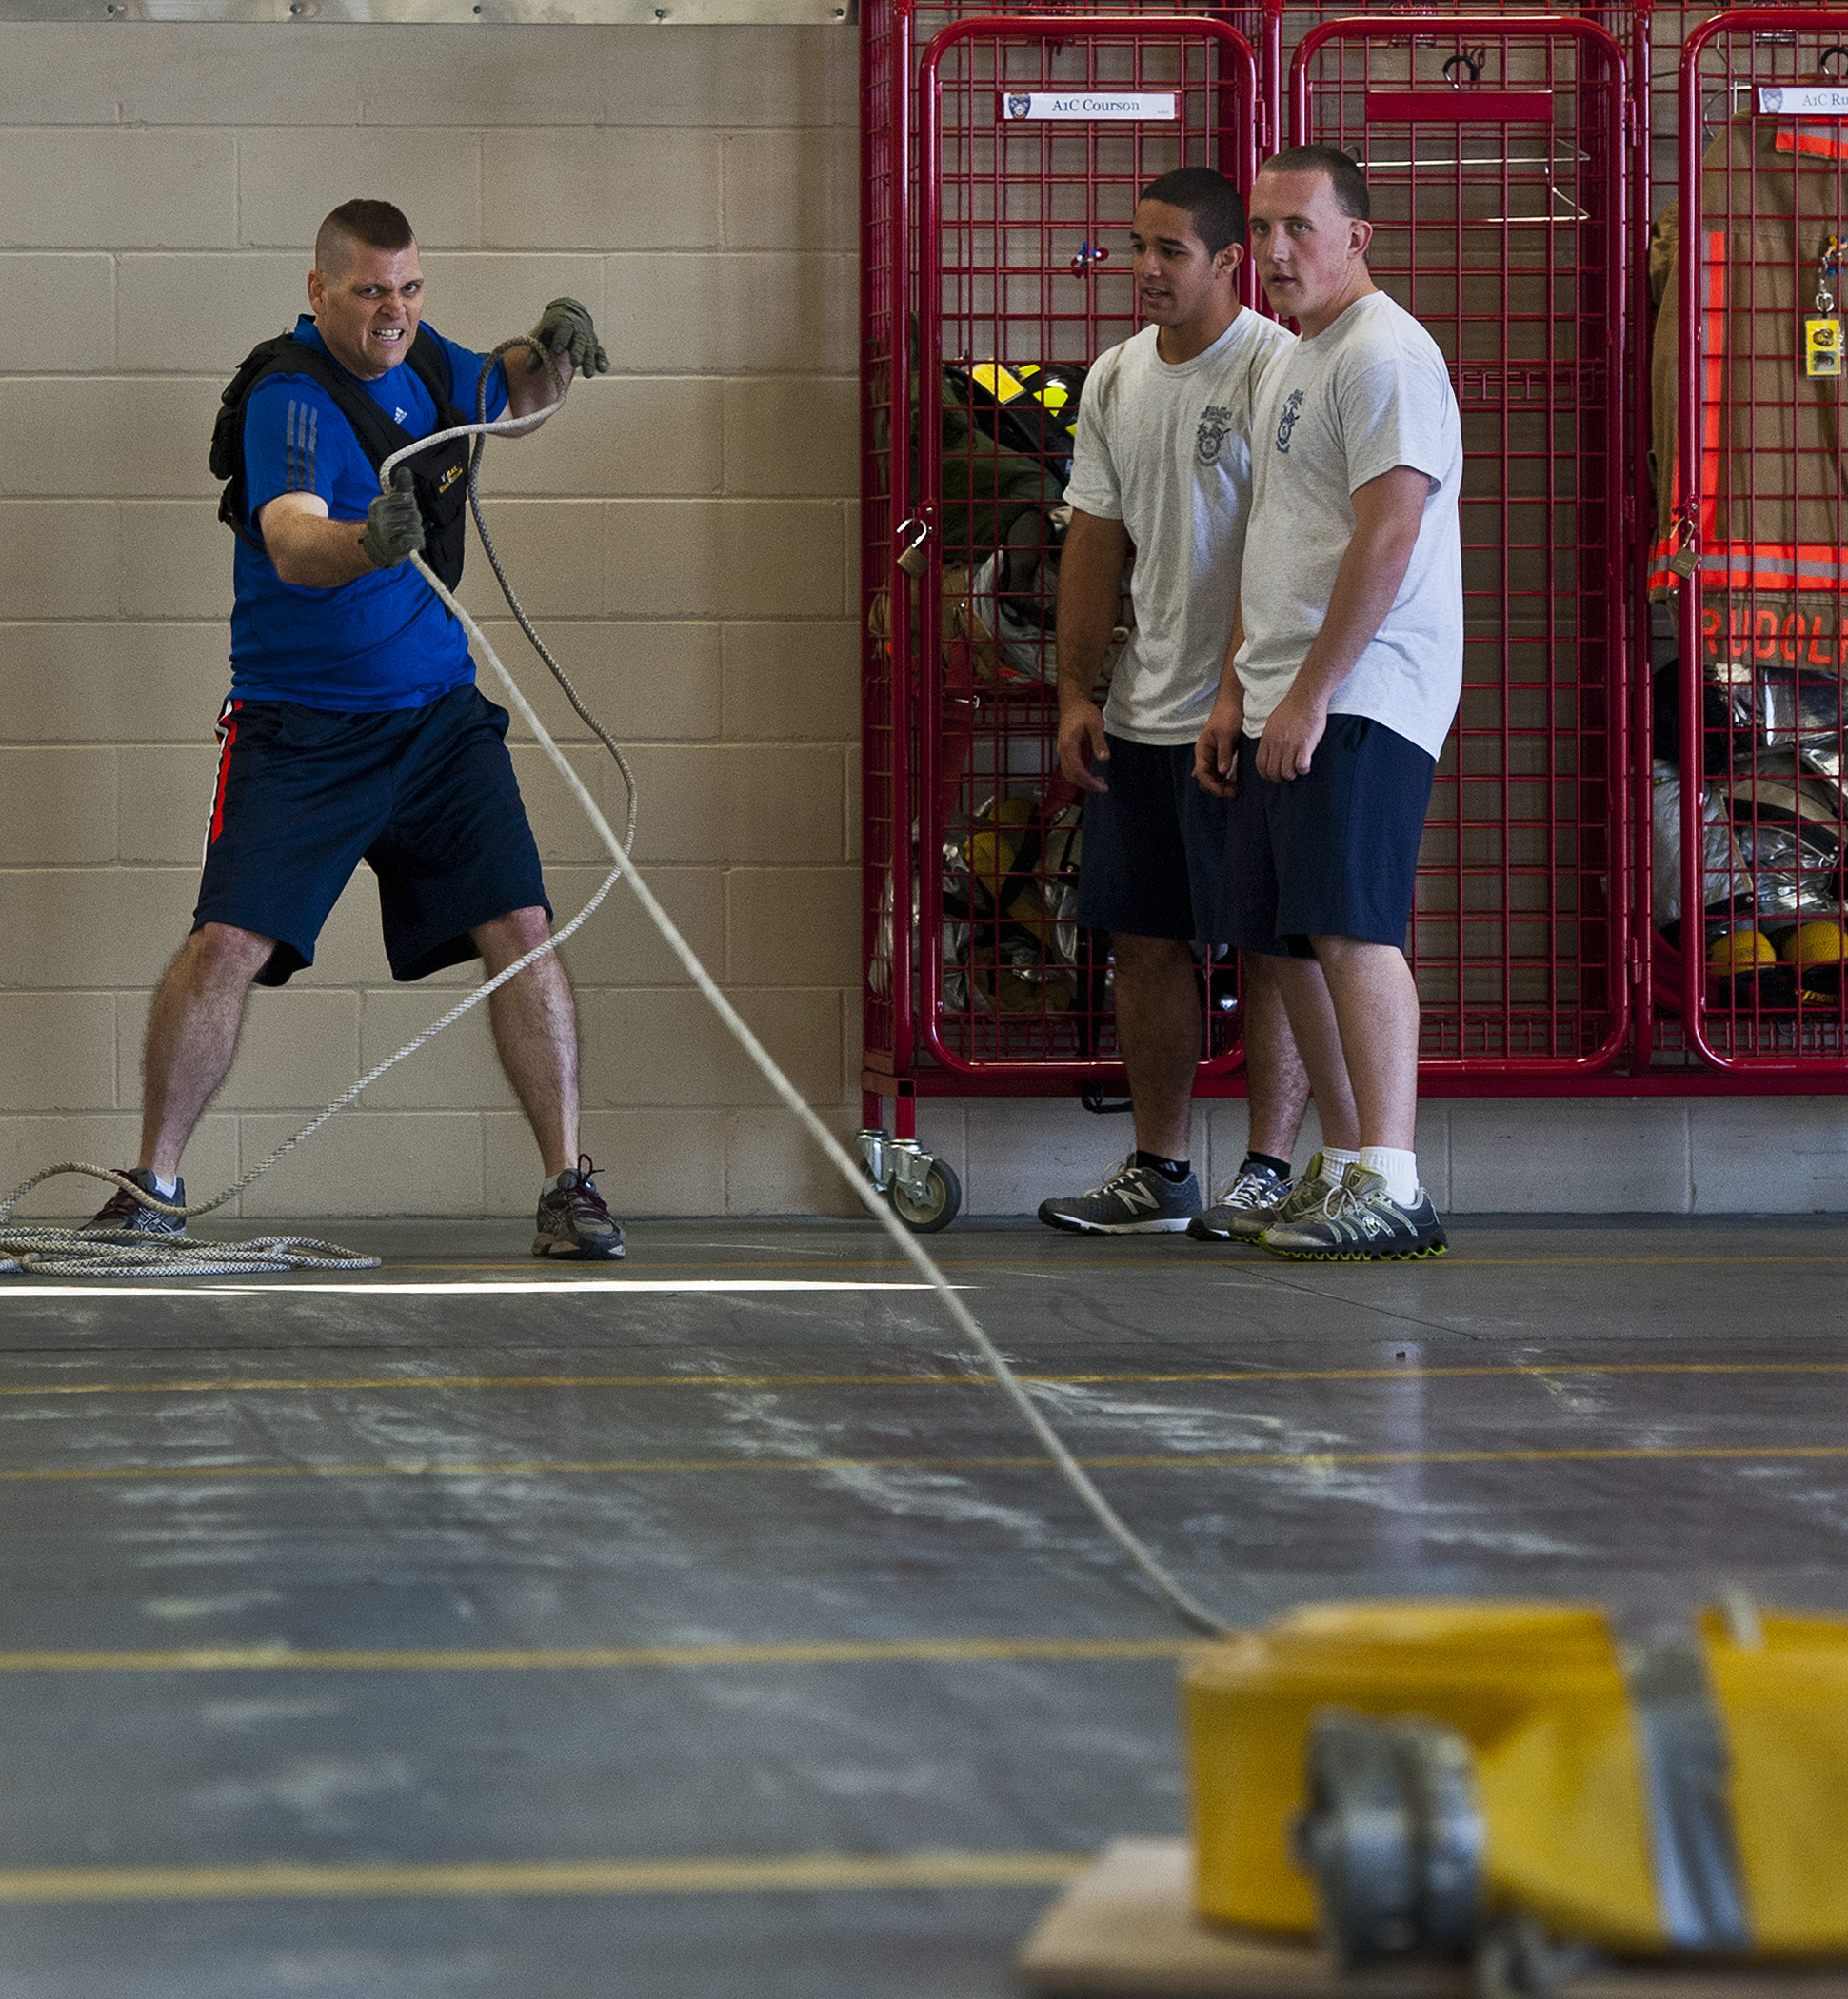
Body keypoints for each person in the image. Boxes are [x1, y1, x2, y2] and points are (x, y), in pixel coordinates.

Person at [87, 198, 626, 1260]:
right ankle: (151, 1187)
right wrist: (369, 543)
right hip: (302, 730)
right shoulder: (286, 398)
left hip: (438, 725)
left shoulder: (426, 361)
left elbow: (509, 394)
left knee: (521, 929)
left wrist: (555, 354)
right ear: (319, 289)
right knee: (227, 943)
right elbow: (291, 538)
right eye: (372, 290)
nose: (395, 310)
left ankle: (569, 1186)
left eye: (411, 288)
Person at [1195, 148, 1462, 1261]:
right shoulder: (1296, 360)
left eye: (1299, 227)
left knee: (1353, 929)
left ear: (1359, 236)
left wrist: (1309, 695)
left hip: (1362, 692)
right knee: (1291, 942)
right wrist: (1237, 691)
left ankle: (1395, 1178)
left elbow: (1387, 537)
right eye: (1261, 230)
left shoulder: (1387, 351)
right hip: (1287, 695)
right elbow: (1280, 545)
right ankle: (1348, 1165)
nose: (1274, 251)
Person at [1036, 168, 1314, 1237]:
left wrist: (1240, 694)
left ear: (1229, 263)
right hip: (1143, 716)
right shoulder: (1113, 379)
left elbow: (1292, 551)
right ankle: (1161, 1167)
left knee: (1270, 946)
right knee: (1144, 941)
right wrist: (1073, 691)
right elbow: (1094, 541)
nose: (1145, 271)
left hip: (1244, 718)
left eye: (1171, 253)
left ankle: (1269, 1171)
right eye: (1135, 248)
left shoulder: (1277, 370)